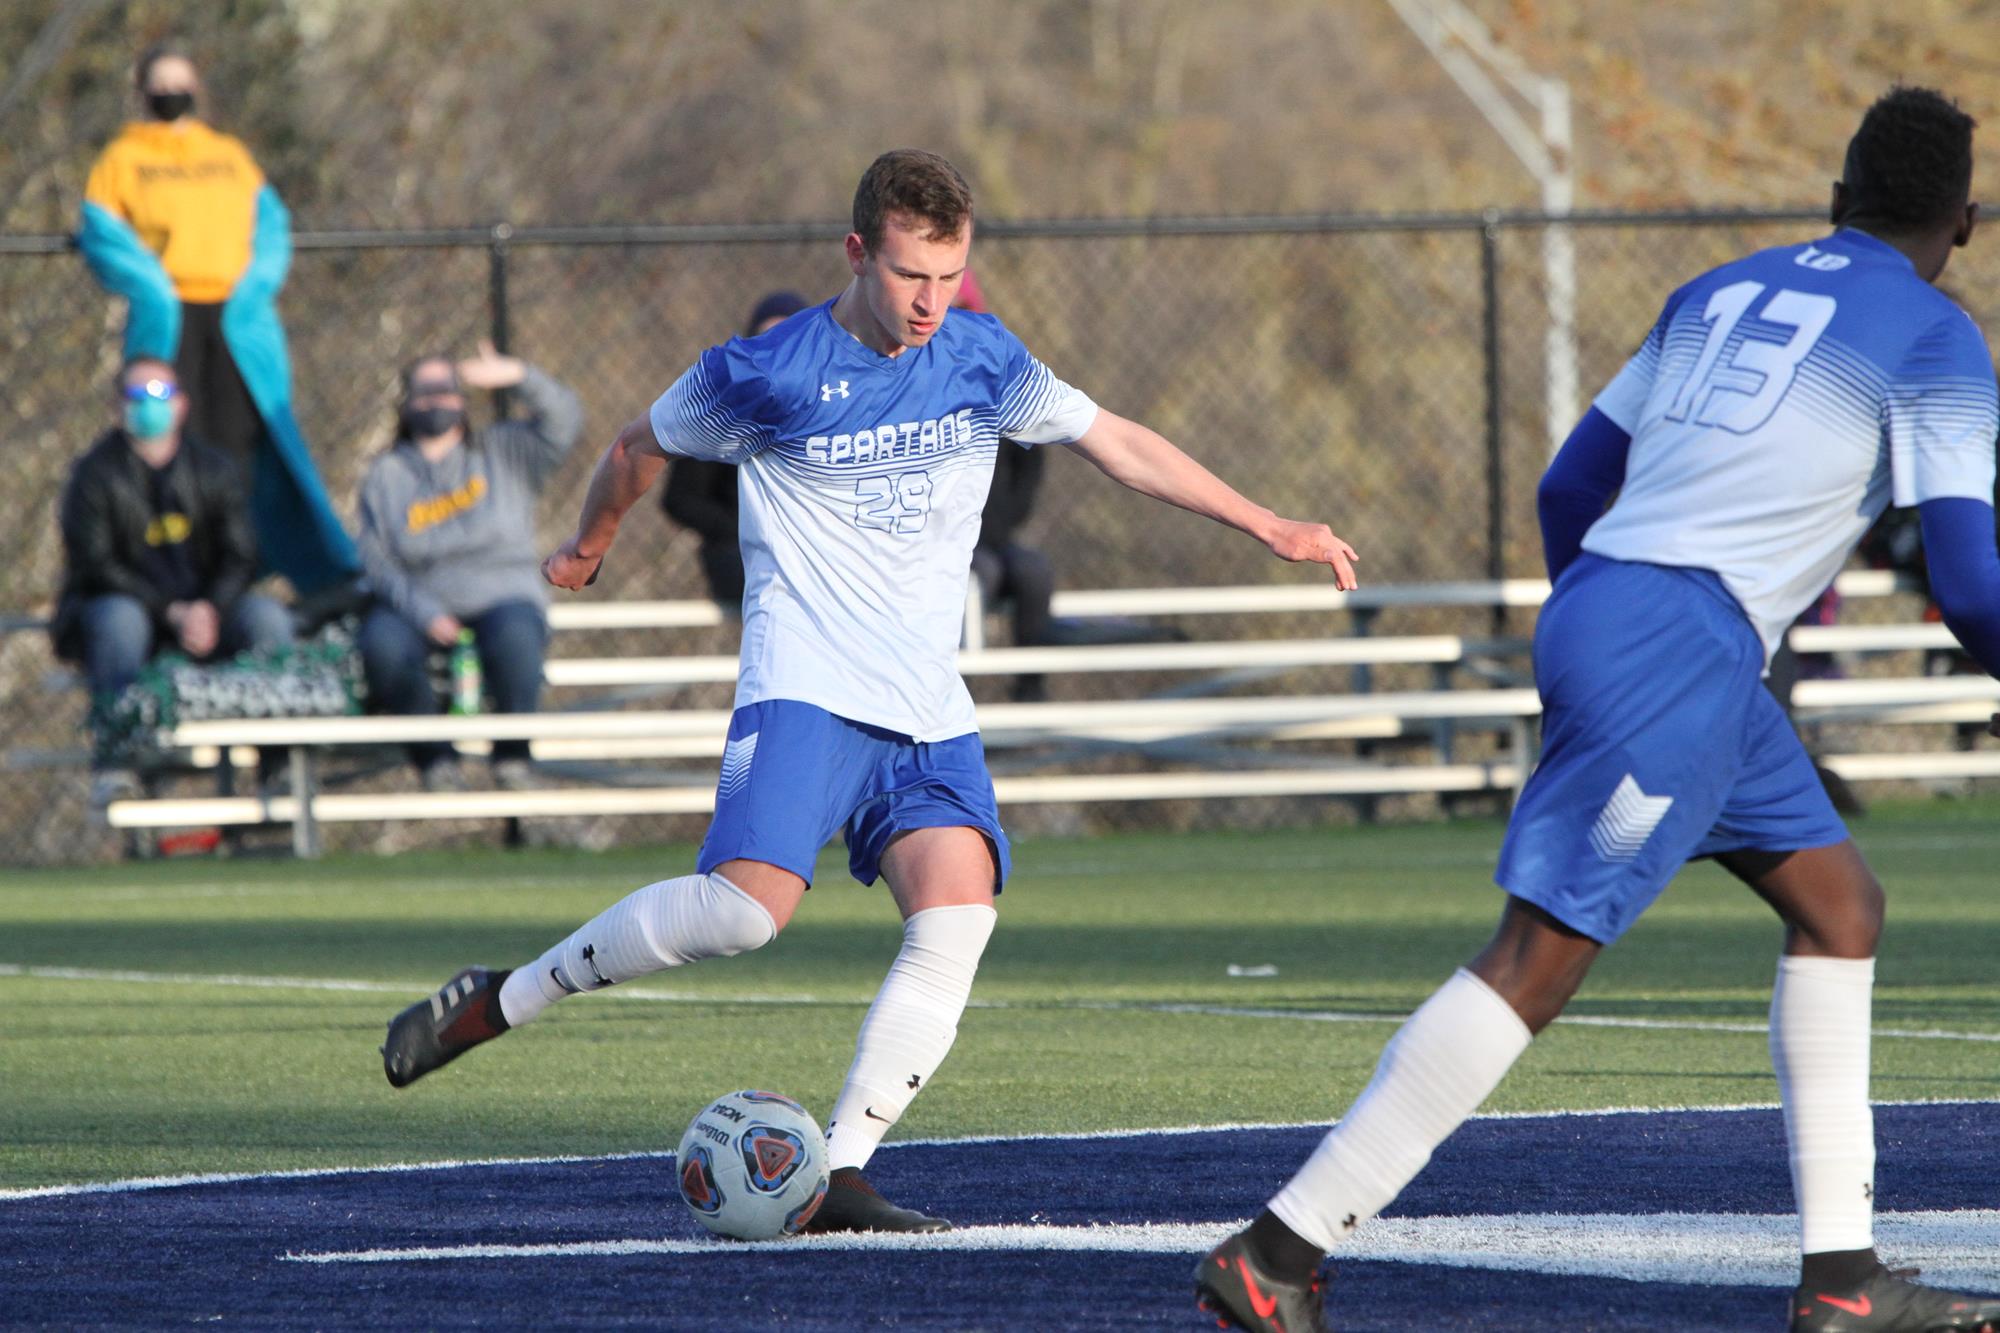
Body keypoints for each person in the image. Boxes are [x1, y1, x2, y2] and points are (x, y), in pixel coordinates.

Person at [379, 149, 1359, 1233]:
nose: (930, 302)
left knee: (958, 913)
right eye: (907, 277)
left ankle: (840, 1170)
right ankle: (505, 996)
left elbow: (1114, 442)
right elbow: (631, 446)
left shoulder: (982, 357)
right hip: (806, 681)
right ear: (856, 255)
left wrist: (1267, 522)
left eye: (948, 276)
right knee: (743, 915)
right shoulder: (766, 372)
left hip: (925, 701)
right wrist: (587, 542)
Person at [1195, 87, 2000, 1333]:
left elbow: (1569, 483)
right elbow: (1967, 582)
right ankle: (1276, 1253)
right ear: (1962, 221)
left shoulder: (1711, 291)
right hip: (1679, 644)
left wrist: (1618, 626)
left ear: (1835, 201)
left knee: (1840, 909)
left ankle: (1841, 1280)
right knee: (1537, 958)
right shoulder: (1937, 334)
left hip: (1642, 621)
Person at [79, 41, 357, 599]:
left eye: (179, 83)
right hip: (170, 319)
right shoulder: (122, 159)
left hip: (234, 320)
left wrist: (254, 286)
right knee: (172, 440)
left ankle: (243, 576)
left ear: (197, 90)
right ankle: (172, 573)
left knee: (242, 445)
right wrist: (152, 286)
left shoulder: (229, 155)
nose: (170, 94)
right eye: (158, 85)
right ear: (141, 93)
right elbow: (101, 230)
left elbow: (270, 223)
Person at [52, 356, 295, 805]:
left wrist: (209, 609)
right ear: (117, 408)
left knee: (268, 618)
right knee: (118, 620)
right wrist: (171, 611)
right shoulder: (93, 475)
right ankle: (118, 763)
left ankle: (278, 767)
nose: (149, 406)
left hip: (208, 615)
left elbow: (242, 556)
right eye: (137, 397)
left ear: (181, 405)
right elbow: (95, 565)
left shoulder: (215, 470)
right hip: (133, 613)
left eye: (160, 395)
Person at [354, 343, 584, 790]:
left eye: (445, 389)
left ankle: (513, 759)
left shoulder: (505, 450)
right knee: (381, 644)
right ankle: (436, 763)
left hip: (502, 595)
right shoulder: (386, 474)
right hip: (418, 601)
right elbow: (376, 560)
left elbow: (566, 421)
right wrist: (425, 612)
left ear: (461, 399)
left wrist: (519, 374)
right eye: (424, 391)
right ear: (406, 402)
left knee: (517, 637)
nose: (436, 401)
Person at [658, 291, 809, 609]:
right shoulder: (721, 407)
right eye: (768, 336)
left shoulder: (829, 402)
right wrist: (743, 528)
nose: (779, 348)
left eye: (790, 336)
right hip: (739, 550)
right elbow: (680, 498)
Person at [958, 271, 1058, 701]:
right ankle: (962, 696)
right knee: (977, 578)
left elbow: (1032, 452)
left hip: (996, 537)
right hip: (956, 546)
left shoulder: (998, 384)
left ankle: (1030, 687)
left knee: (1034, 572)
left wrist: (1012, 511)